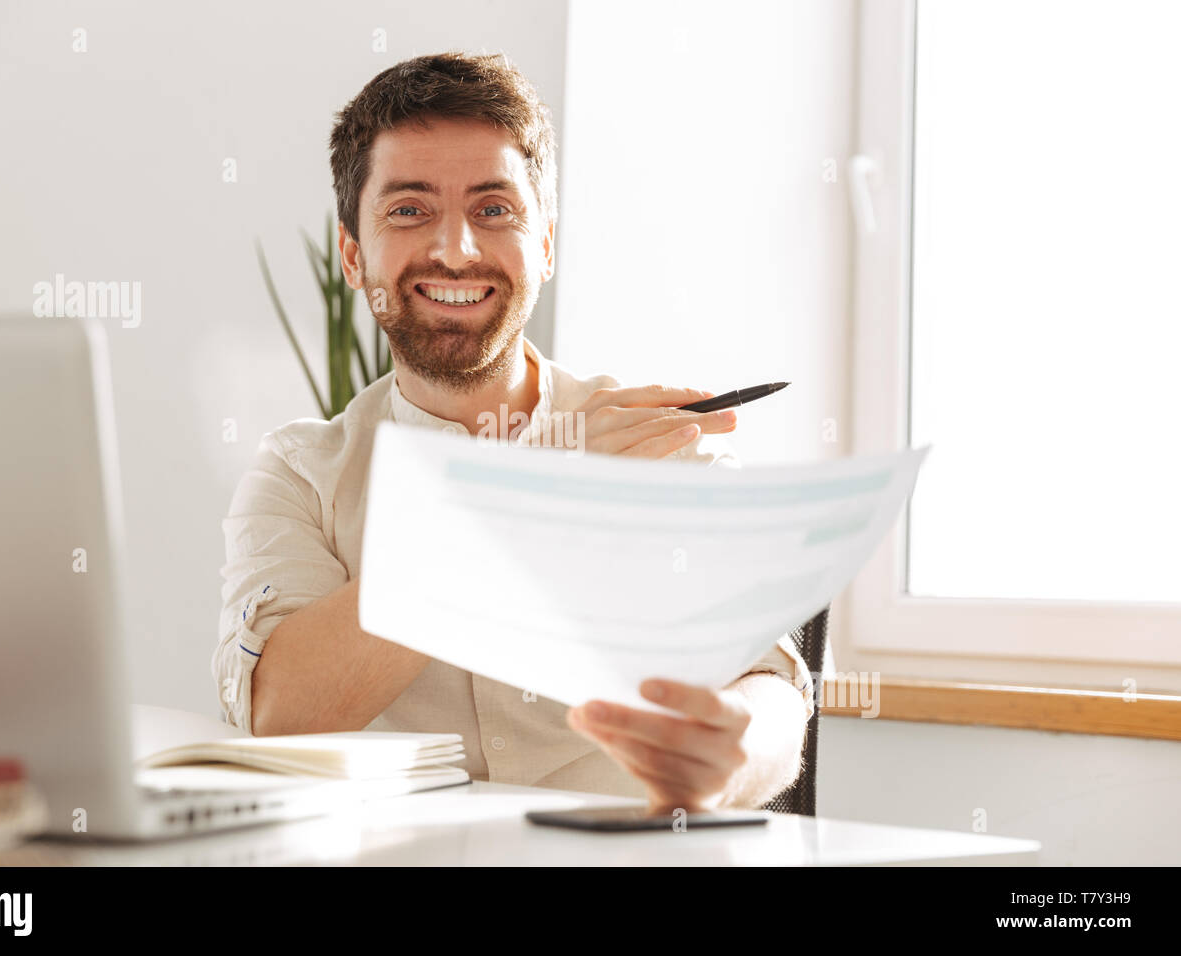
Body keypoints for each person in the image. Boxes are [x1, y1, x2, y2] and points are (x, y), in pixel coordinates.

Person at [214, 52, 814, 812]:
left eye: (494, 209)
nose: (455, 249)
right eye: (409, 209)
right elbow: (286, 711)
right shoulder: (301, 475)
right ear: (353, 255)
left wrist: (731, 757)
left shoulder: (656, 448)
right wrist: (528, 494)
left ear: (548, 245)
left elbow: (773, 698)